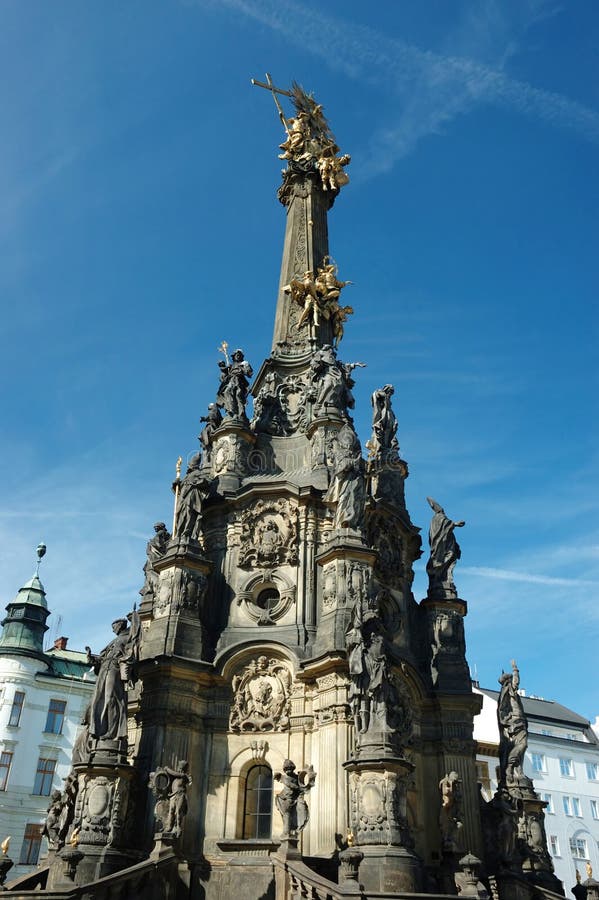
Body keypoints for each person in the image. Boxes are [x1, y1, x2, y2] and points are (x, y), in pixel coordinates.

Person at [86, 615, 138, 743]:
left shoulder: (127, 638)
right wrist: (91, 658)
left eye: (114, 627)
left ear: (120, 625)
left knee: (111, 698)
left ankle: (111, 731)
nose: (113, 630)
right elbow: (102, 657)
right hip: (104, 668)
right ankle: (98, 730)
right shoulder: (113, 641)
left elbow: (132, 652)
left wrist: (124, 660)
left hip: (115, 668)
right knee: (97, 699)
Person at [497, 660, 529, 786]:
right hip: (516, 721)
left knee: (518, 746)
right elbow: (516, 682)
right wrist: (515, 669)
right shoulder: (510, 689)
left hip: (516, 721)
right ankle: (510, 767)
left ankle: (519, 772)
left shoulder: (502, 695)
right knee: (523, 745)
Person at [426, 497, 465, 596]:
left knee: (450, 559)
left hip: (445, 544)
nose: (442, 509)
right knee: (448, 557)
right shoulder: (438, 517)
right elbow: (444, 526)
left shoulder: (437, 518)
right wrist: (455, 524)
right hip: (441, 546)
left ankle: (446, 578)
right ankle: (441, 578)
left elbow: (445, 530)